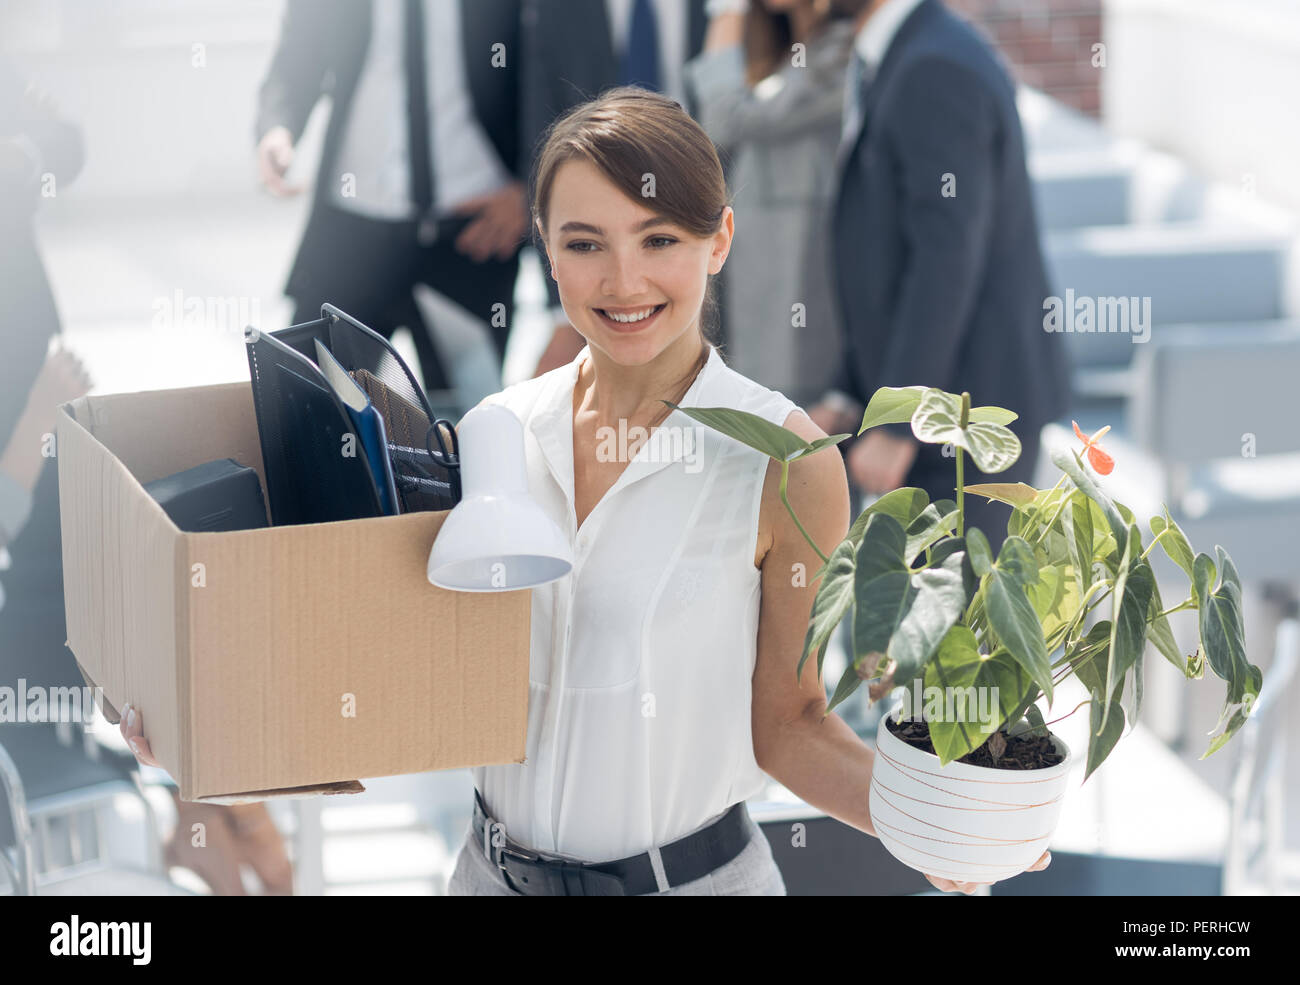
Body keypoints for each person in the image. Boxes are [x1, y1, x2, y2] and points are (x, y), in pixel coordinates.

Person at [440, 86, 1048, 894]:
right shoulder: (495, 436)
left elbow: (792, 723)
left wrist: (934, 826)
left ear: (719, 238)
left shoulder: (783, 460)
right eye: (585, 244)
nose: (624, 281)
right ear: (547, 249)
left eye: (659, 238)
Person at [806, 0, 1070, 549]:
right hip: (943, 410)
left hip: (965, 423)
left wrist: (902, 422)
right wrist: (851, 388)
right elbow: (888, 255)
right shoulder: (908, 51)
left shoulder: (935, 66)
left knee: (950, 629)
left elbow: (945, 263)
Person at [256, 0, 529, 397]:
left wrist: (531, 188)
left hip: (474, 232)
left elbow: (553, 63)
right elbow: (299, 53)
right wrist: (278, 128)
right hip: (351, 228)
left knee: (466, 423)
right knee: (305, 402)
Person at [521, 0, 709, 376]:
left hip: (706, 228)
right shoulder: (555, 10)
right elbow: (538, 142)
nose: (625, 285)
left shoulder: (728, 10)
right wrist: (561, 313)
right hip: (595, 224)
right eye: (581, 246)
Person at [684, 0, 855, 406]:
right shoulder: (773, 49)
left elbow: (725, 117)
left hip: (802, 288)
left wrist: (726, 11)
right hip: (749, 278)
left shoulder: (842, 50)